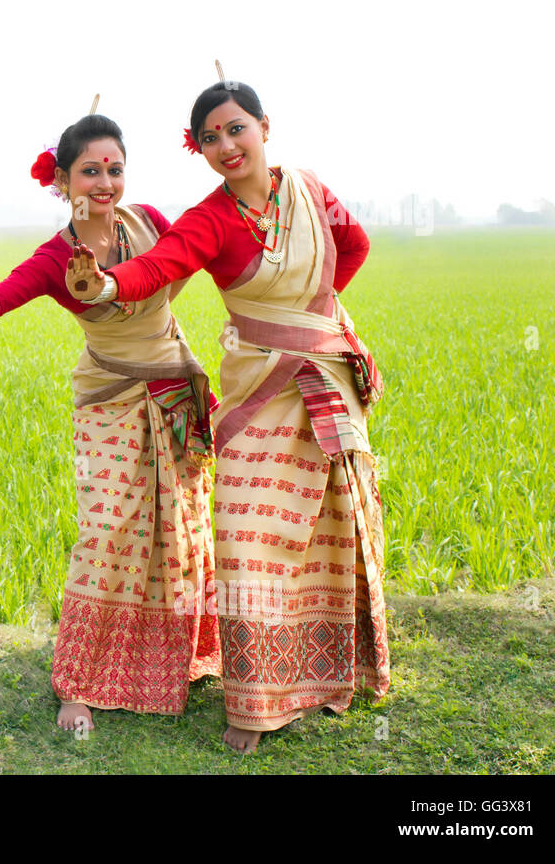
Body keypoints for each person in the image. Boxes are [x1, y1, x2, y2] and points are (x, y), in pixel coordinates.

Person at [64, 80, 389, 753]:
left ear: (264, 126)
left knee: (328, 525)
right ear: (200, 149)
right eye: (210, 137)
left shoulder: (309, 190)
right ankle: (256, 700)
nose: (225, 145)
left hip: (324, 378)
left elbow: (351, 247)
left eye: (234, 128)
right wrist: (110, 283)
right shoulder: (211, 219)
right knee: (245, 540)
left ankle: (326, 674)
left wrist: (303, 323)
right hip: (256, 391)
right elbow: (161, 264)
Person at [0, 111, 220, 732]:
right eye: (90, 172)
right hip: (109, 402)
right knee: (105, 532)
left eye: (114, 170)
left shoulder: (150, 222)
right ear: (63, 179)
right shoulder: (56, 258)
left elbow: (183, 267)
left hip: (174, 393)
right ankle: (78, 684)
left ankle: (181, 655)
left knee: (180, 524)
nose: (104, 183)